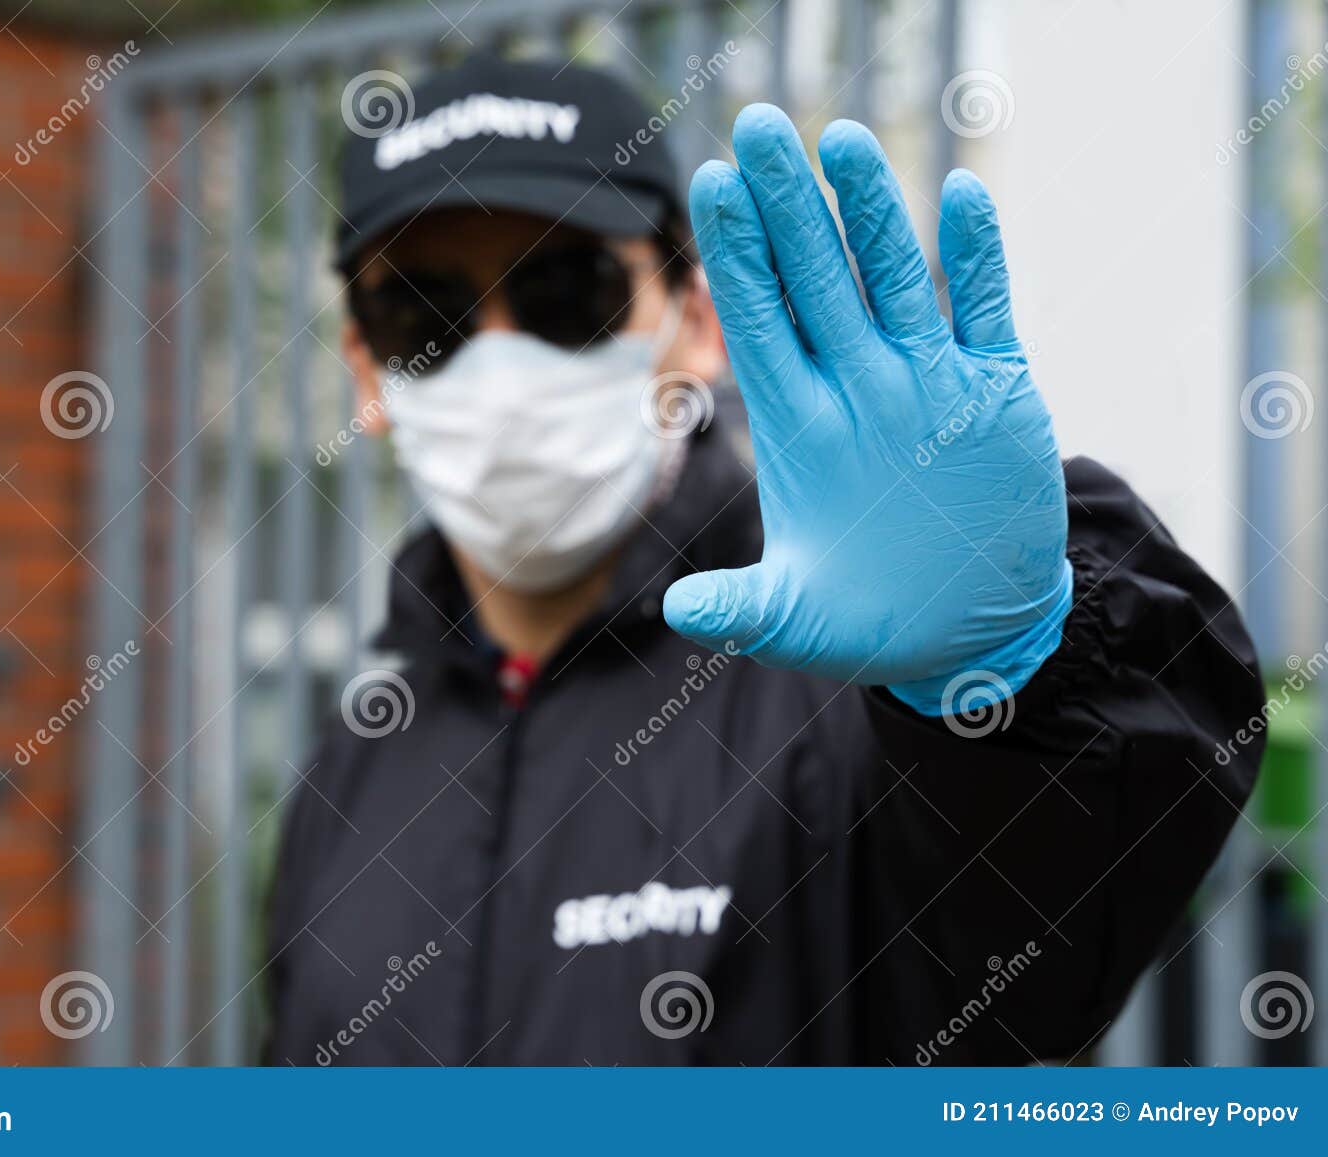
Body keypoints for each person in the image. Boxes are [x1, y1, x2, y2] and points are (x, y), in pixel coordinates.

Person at [262, 55, 1263, 1065]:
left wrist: (1015, 663)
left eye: (567, 291)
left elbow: (1067, 915)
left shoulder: (854, 694)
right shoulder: (353, 768)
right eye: (423, 317)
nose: (498, 358)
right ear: (366, 371)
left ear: (692, 324)